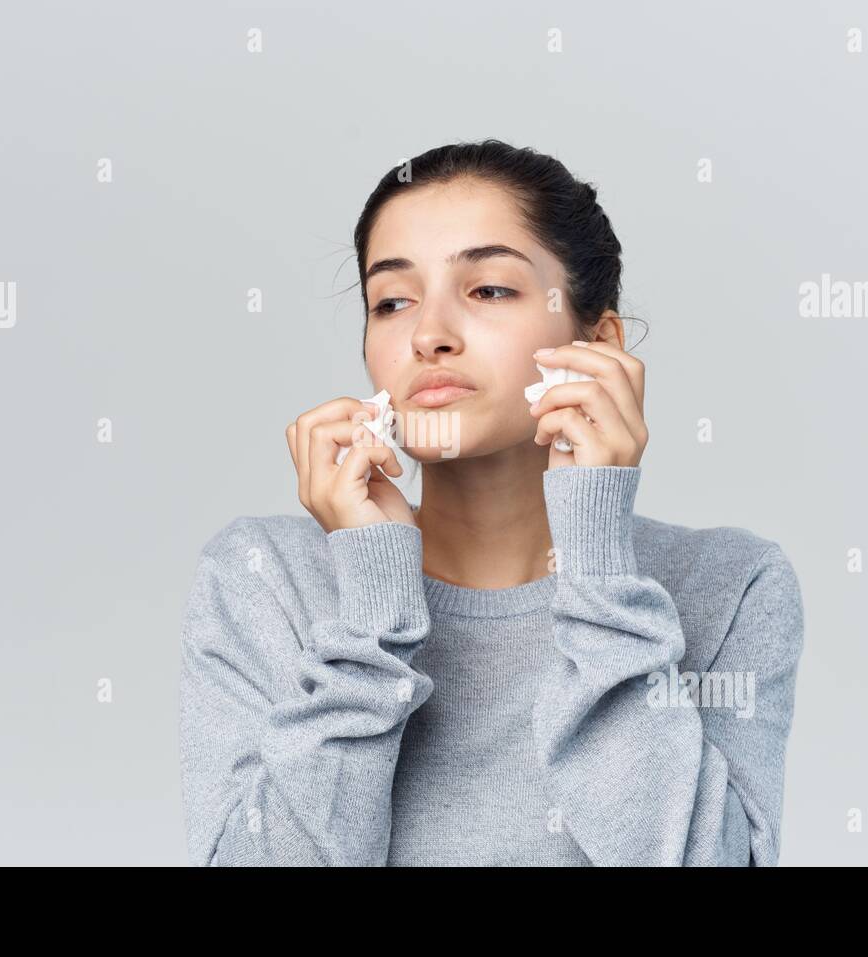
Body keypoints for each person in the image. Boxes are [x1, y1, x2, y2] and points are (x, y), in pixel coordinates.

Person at [179, 139, 805, 866]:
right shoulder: (262, 577)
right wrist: (375, 607)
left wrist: (595, 558)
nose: (429, 335)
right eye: (392, 301)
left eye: (488, 290)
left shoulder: (731, 583)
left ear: (597, 343)